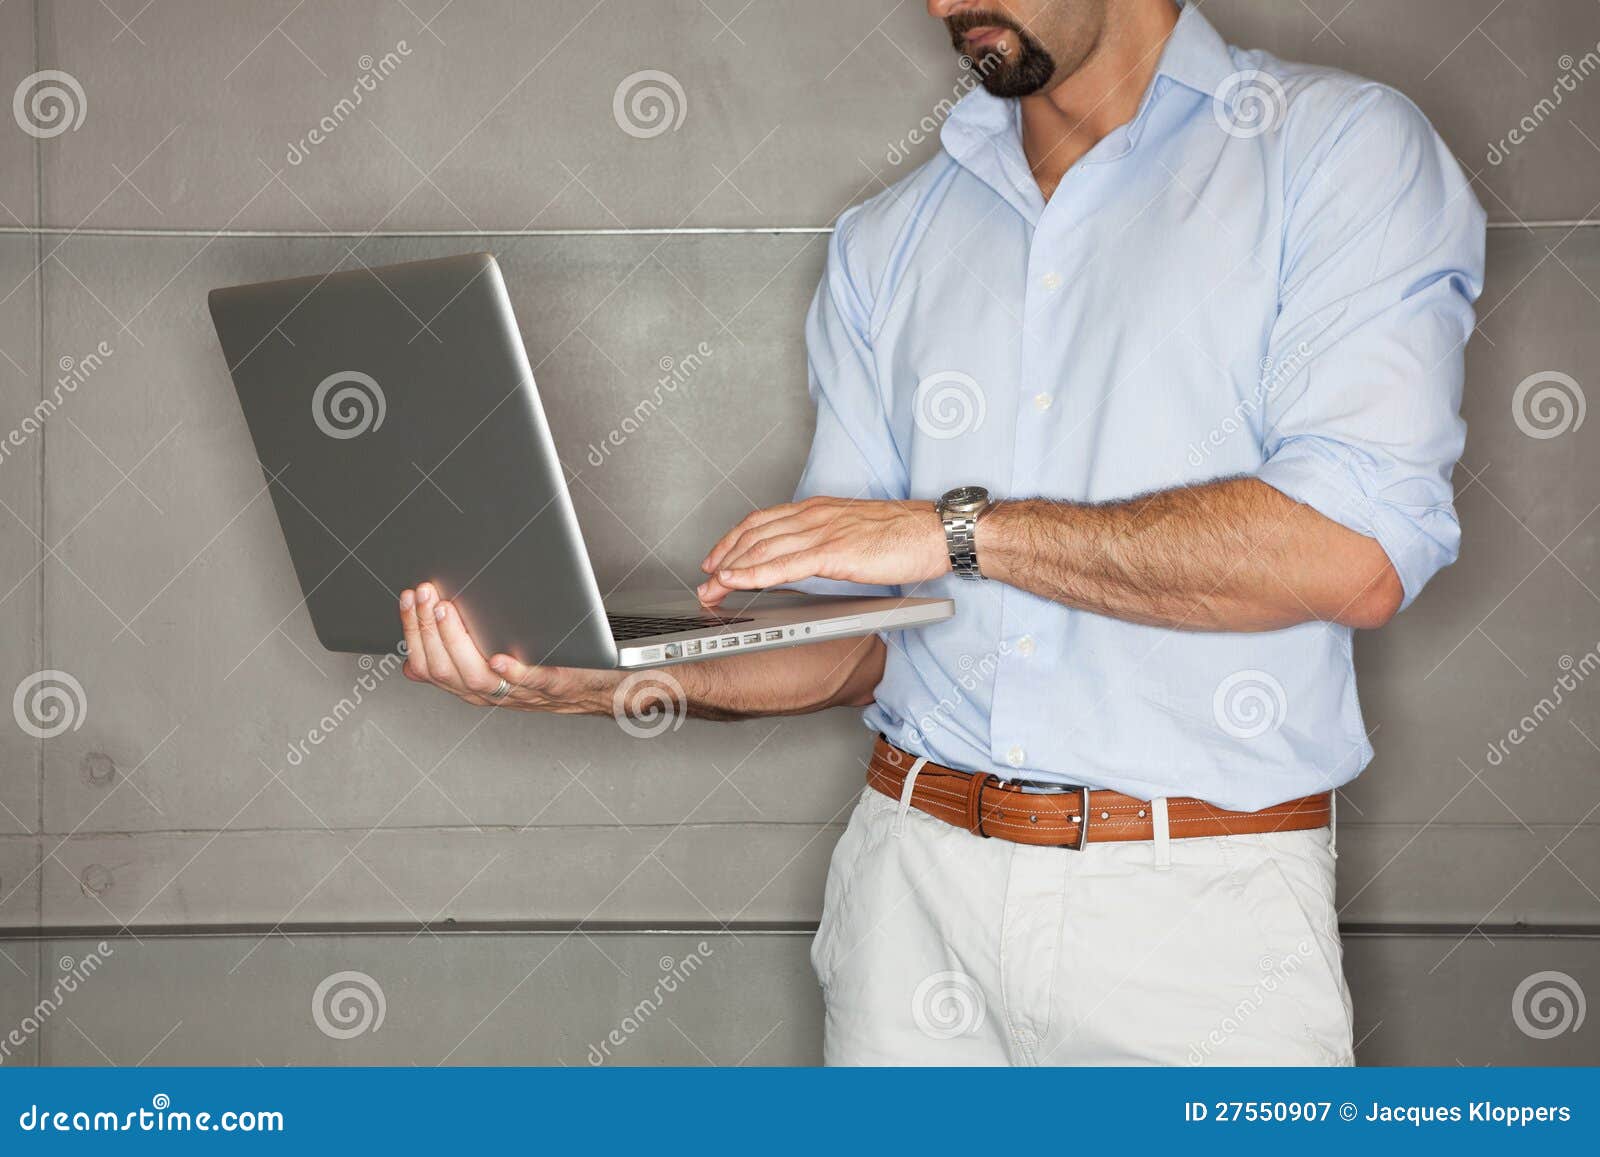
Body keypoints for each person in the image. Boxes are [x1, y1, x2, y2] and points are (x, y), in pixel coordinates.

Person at [397, 0, 1485, 1065]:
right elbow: (864, 640)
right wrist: (610, 678)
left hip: (1194, 917)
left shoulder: (1336, 151)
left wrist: (958, 531)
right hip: (909, 896)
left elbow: (1351, 552)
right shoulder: (889, 237)